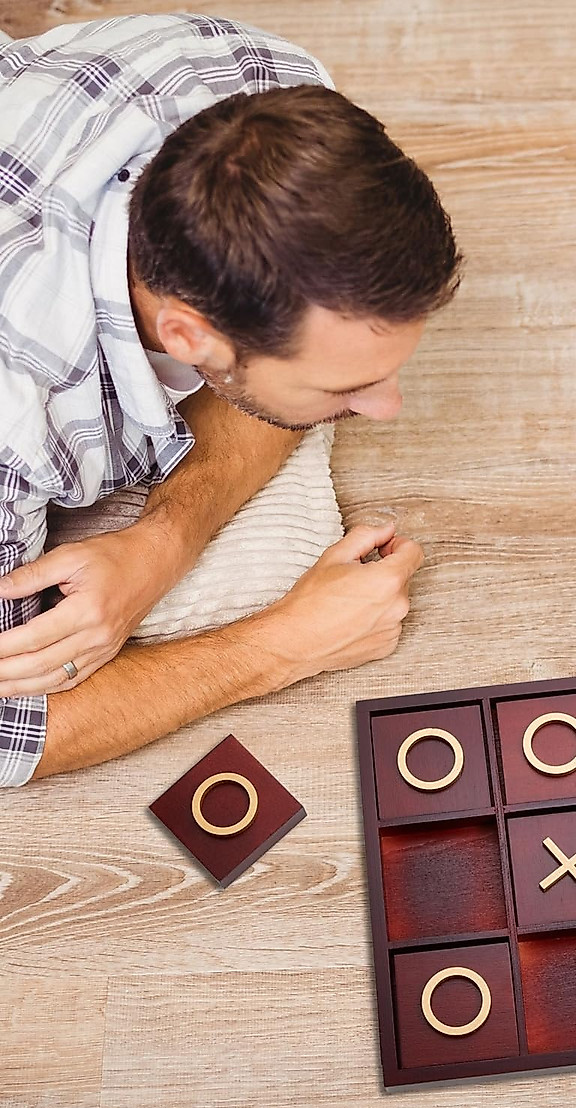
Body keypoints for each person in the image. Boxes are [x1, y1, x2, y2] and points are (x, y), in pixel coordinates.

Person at [0, 14, 461, 784]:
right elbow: (13, 733)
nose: (388, 407)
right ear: (187, 336)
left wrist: (161, 545)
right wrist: (286, 643)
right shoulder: (15, 424)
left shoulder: (260, 80)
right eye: (345, 387)